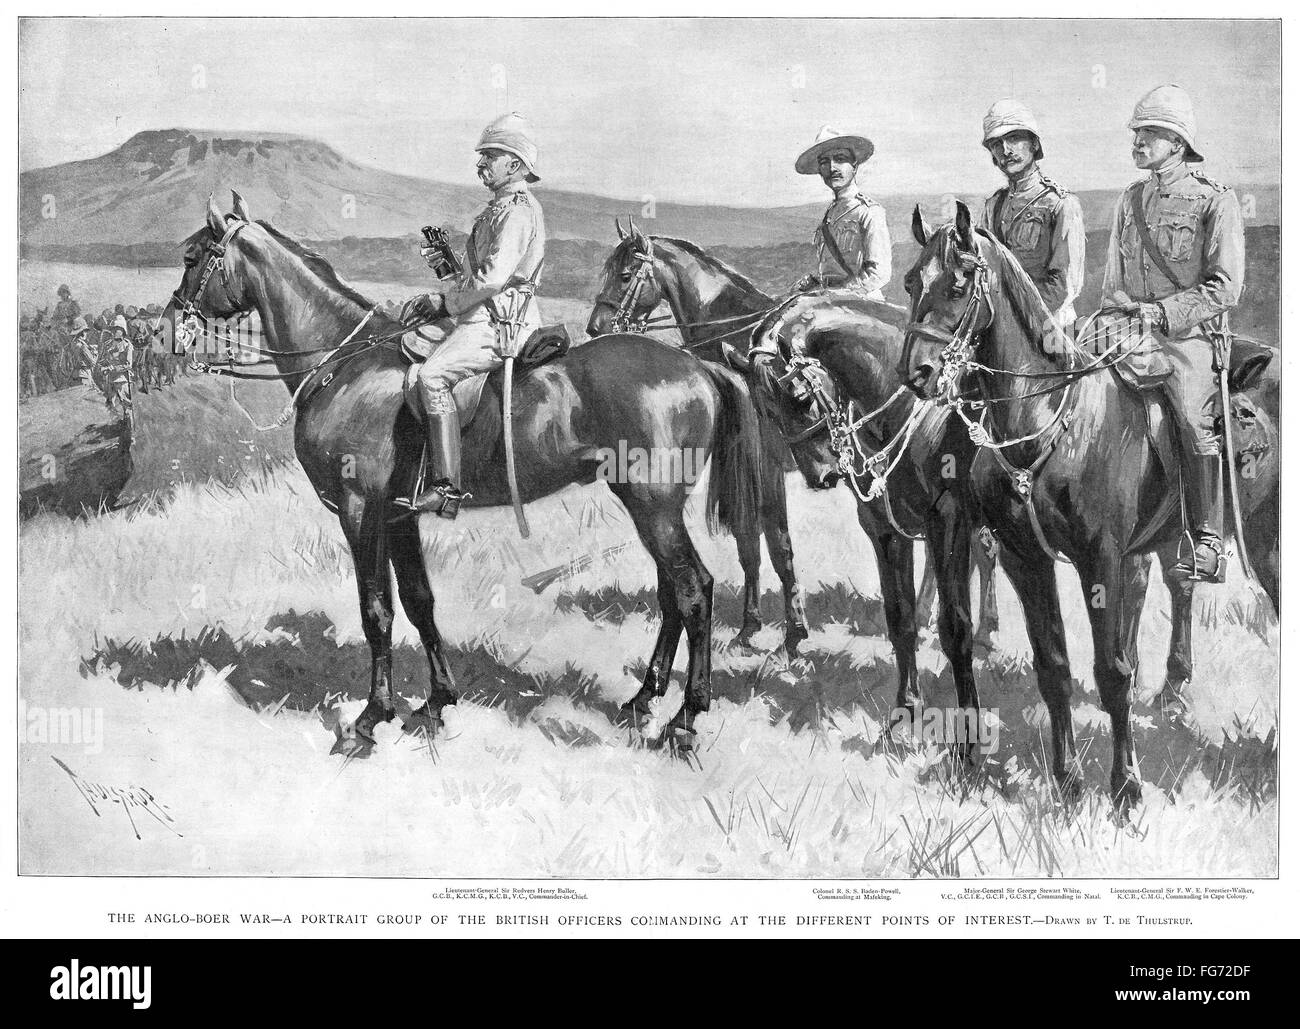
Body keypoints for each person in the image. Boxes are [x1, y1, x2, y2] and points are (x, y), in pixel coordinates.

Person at [1101, 84, 1245, 582]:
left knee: (1189, 414)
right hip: (1128, 328)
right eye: (1138, 132)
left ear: (1178, 142)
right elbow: (1113, 281)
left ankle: (1207, 537)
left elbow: (1225, 288)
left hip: (1189, 337)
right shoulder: (1130, 199)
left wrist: (1161, 315)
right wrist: (1114, 315)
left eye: (1151, 133)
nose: (1138, 141)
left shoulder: (1215, 200)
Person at [398, 112, 546, 518]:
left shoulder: (517, 210)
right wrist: (447, 267)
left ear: (514, 165)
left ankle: (447, 488)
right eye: (482, 157)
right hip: (484, 313)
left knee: (431, 376)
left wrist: (444, 303)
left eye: (490, 157)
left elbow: (493, 280)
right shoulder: (497, 210)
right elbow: (477, 277)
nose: (481, 165)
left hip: (501, 322)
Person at [979, 99, 1086, 328]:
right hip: (1001, 328)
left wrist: (1016, 318)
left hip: (1051, 326)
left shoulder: (1061, 204)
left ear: (1034, 144)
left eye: (1014, 139)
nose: (1005, 150)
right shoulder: (993, 205)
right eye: (996, 144)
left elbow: (1064, 285)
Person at [791, 126, 891, 301]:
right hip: (829, 303)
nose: (832, 168)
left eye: (840, 159)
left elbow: (879, 273)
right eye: (824, 162)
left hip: (863, 303)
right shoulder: (830, 214)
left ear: (854, 166)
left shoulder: (868, 211)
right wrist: (815, 283)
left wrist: (837, 294)